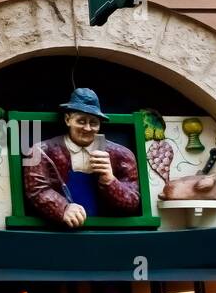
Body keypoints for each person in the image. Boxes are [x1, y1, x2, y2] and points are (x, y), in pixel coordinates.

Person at [22, 87, 140, 228]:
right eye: (81, 121)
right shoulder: (41, 152)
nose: (88, 128)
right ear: (68, 120)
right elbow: (36, 190)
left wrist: (110, 180)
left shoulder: (121, 155)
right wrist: (62, 208)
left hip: (106, 231)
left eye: (94, 123)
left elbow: (132, 201)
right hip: (59, 231)